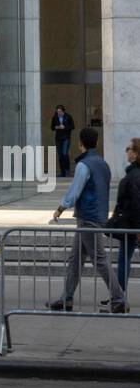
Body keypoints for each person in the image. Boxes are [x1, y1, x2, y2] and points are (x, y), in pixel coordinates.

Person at [48, 126, 126, 313]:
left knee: (99, 259)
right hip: (98, 215)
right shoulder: (103, 164)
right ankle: (66, 298)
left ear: (80, 143)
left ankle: (119, 299)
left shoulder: (84, 165)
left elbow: (74, 192)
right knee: (75, 259)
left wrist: (60, 209)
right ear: (96, 142)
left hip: (87, 218)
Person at [103, 139, 140, 304]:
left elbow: (137, 204)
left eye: (128, 149)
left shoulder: (135, 175)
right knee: (124, 258)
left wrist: (138, 229)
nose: (126, 151)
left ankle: (119, 297)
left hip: (132, 226)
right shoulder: (133, 173)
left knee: (124, 259)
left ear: (136, 153)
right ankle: (118, 296)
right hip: (131, 225)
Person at [50, 104, 75, 179]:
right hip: (58, 138)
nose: (59, 113)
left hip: (66, 138)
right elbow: (52, 127)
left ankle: (67, 171)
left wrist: (65, 127)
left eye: (60, 111)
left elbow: (73, 126)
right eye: (57, 111)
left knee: (65, 154)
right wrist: (57, 127)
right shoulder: (55, 117)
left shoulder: (68, 117)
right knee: (60, 155)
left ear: (63, 111)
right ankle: (62, 172)